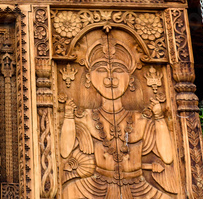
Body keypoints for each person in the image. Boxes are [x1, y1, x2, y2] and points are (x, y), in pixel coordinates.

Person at [59, 29, 177, 199]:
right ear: (88, 78)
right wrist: (69, 117)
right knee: (67, 193)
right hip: (94, 187)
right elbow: (64, 152)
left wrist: (159, 118)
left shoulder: (142, 118)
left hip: (140, 188)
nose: (110, 78)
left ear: (131, 79)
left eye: (118, 70)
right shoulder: (84, 117)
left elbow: (167, 157)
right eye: (100, 70)